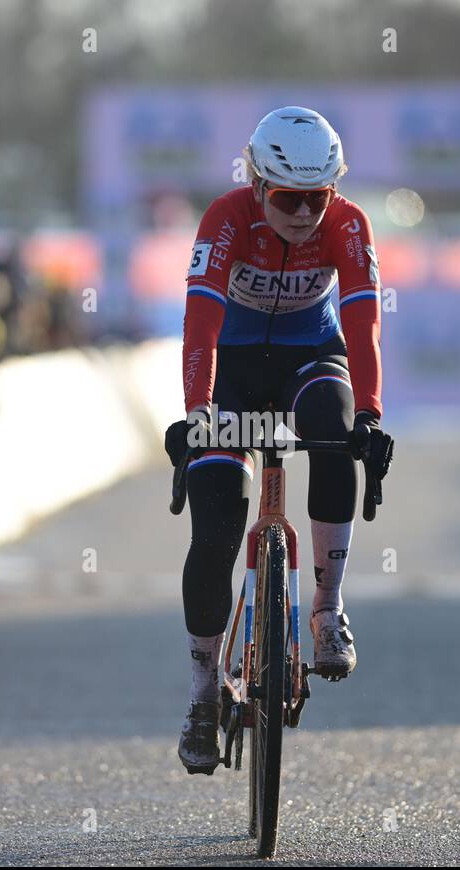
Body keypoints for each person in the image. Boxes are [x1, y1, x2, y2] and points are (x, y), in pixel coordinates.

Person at [163, 107, 394, 774]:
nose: (302, 214)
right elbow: (200, 326)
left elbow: (363, 327)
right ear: (258, 185)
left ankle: (326, 607)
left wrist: (370, 417)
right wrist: (198, 412)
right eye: (288, 199)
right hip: (231, 370)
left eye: (316, 198)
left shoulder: (349, 226)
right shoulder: (226, 218)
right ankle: (204, 694)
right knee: (216, 524)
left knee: (334, 419)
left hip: (306, 362)